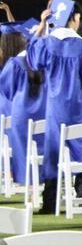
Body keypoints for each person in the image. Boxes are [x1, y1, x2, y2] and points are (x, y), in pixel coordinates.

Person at [29, 0, 82, 211]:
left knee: (54, 150)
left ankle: (50, 199)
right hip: (80, 105)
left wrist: (41, 25)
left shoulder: (47, 44)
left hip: (56, 106)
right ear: (74, 18)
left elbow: (33, 61)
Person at [0, 36, 45, 194]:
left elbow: (5, 88)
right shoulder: (44, 64)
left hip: (20, 117)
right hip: (45, 116)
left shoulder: (14, 64)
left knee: (19, 141)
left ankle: (26, 181)